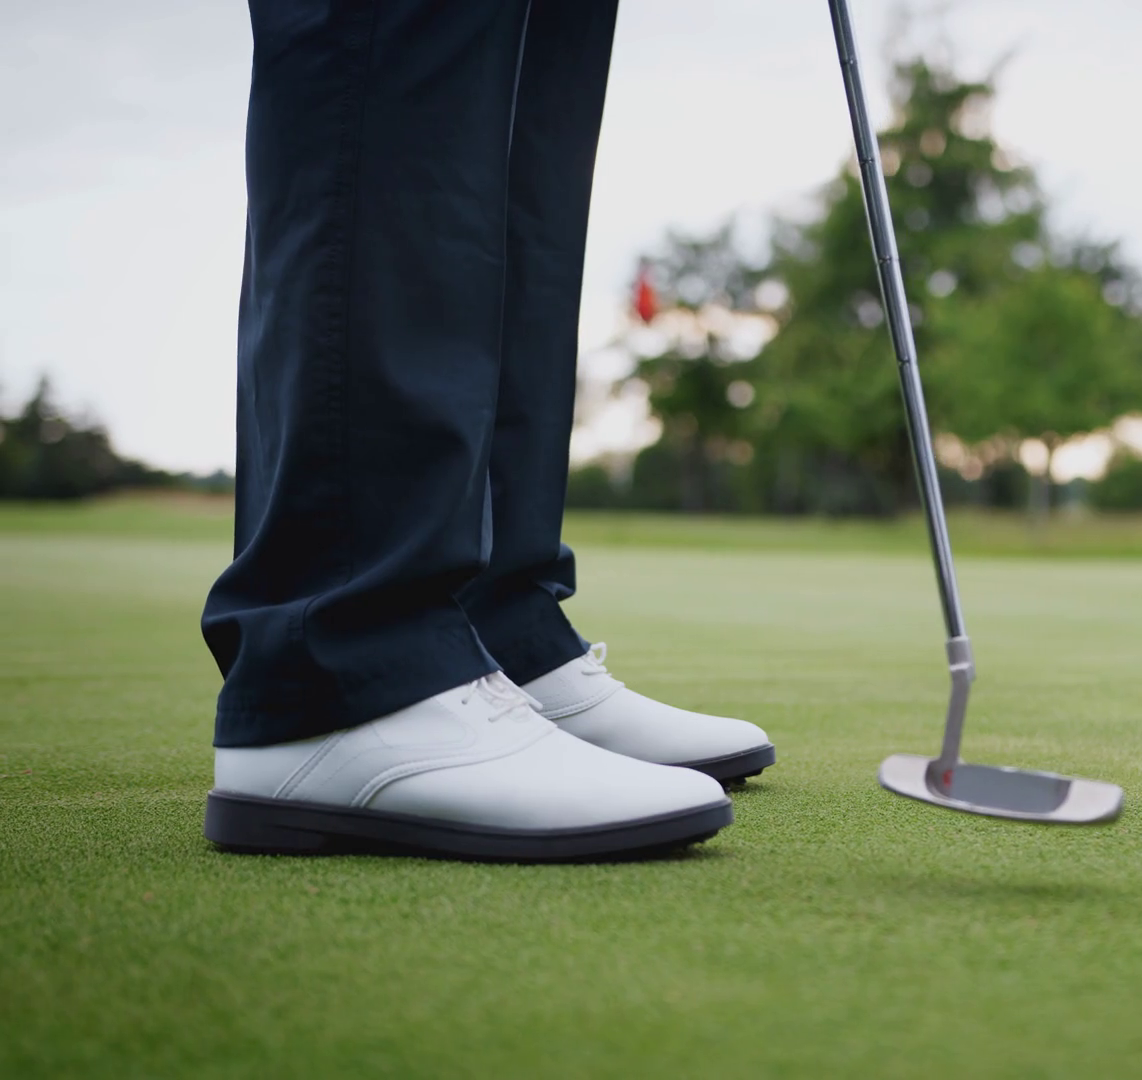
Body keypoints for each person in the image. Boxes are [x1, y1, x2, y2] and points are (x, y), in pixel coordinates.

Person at [198, 0, 773, 860]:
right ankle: (347, 661)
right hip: (341, 664)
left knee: (531, 98)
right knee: (406, 39)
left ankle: (494, 627)